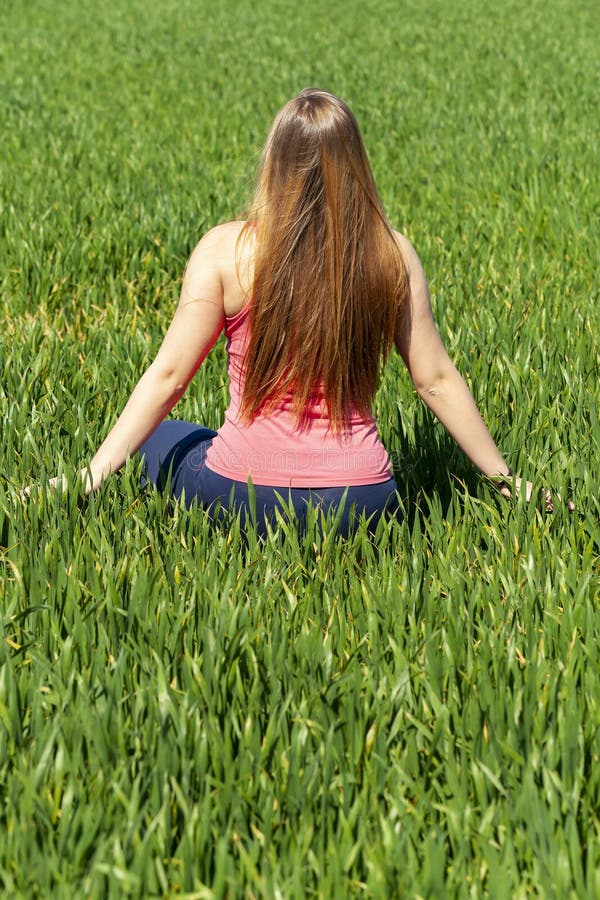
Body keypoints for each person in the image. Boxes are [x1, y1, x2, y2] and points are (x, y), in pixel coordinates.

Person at [52, 88, 545, 532]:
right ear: (356, 164)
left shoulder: (225, 251)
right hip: (364, 502)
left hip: (240, 495)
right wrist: (508, 481)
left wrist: (87, 477)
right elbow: (435, 379)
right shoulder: (391, 255)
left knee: (165, 438)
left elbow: (170, 377)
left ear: (274, 163)